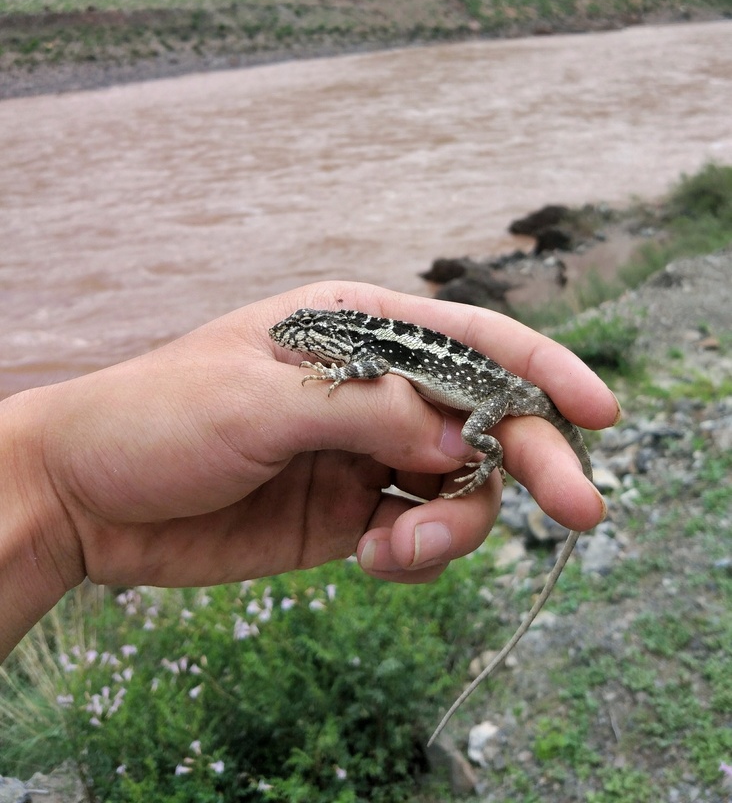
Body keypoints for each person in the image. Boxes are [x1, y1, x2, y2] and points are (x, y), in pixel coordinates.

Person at [0, 281, 618, 663]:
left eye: (300, 334)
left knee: (478, 441)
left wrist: (58, 500)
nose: (292, 341)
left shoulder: (361, 349)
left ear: (323, 333)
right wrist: (59, 493)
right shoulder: (355, 337)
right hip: (487, 383)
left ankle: (484, 457)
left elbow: (373, 365)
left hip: (499, 396)